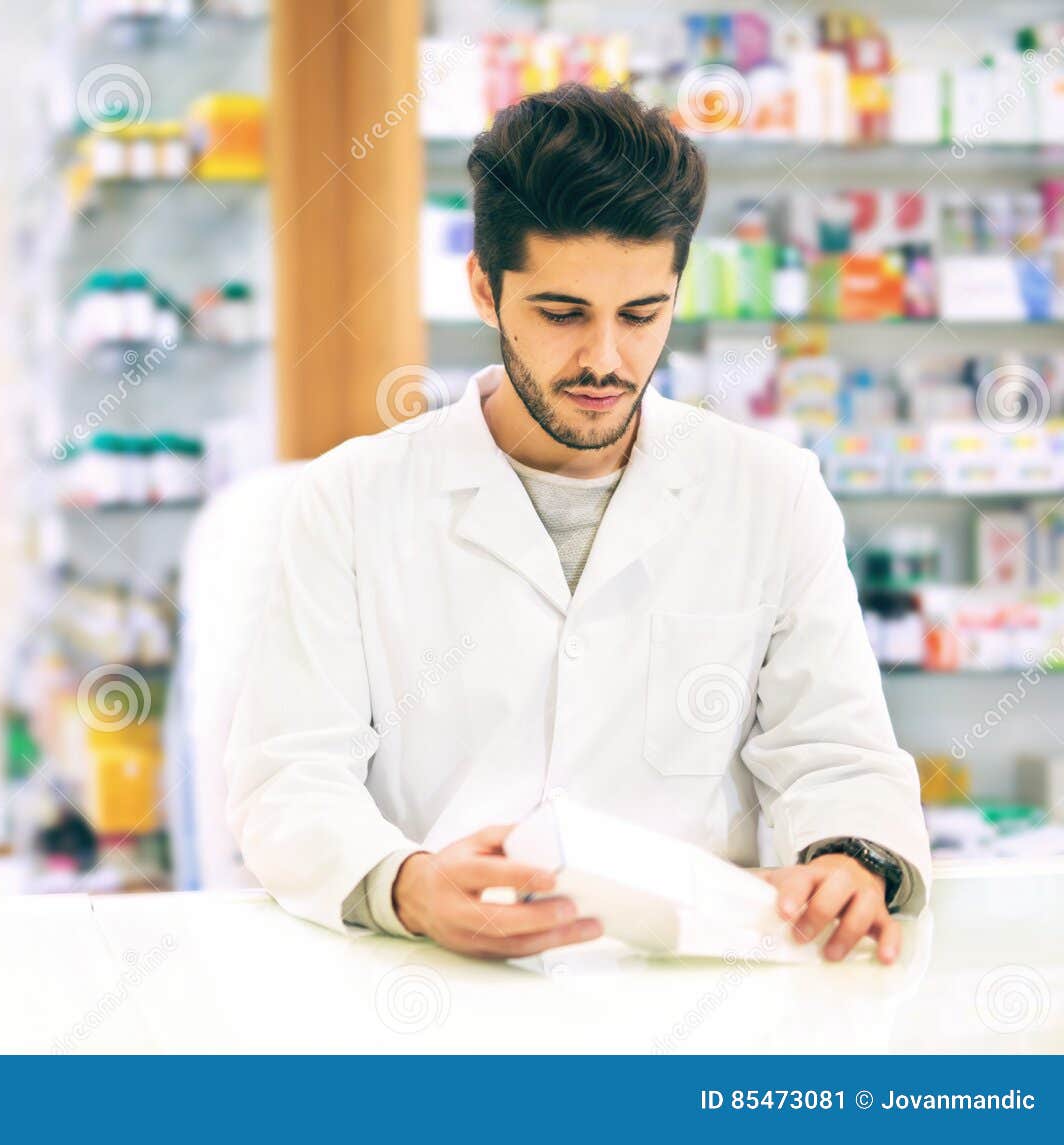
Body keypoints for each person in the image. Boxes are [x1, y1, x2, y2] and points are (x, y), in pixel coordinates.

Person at [225, 85, 931, 964]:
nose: (605, 358)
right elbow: (287, 776)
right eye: (562, 314)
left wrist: (850, 857)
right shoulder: (352, 498)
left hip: (693, 989)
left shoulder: (772, 492)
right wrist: (406, 886)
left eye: (642, 315)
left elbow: (836, 750)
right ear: (485, 287)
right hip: (437, 985)